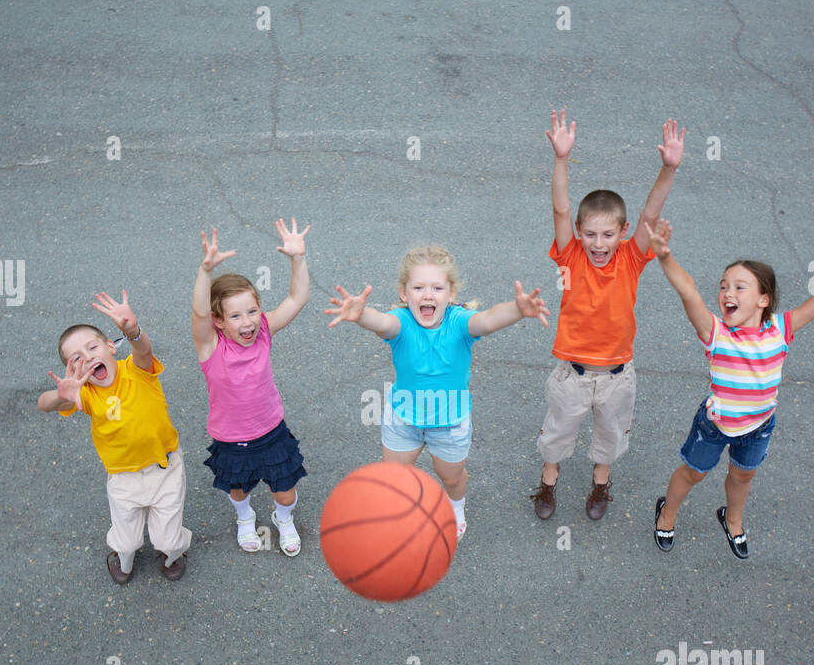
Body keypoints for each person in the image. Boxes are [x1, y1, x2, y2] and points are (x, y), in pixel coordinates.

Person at [646, 212, 814, 558]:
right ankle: (667, 512)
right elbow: (689, 291)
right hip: (715, 425)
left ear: (764, 299)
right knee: (694, 474)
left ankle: (732, 519)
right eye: (723, 286)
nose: (726, 293)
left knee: (742, 478)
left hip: (759, 426)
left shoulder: (782, 329)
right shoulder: (716, 333)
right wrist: (665, 256)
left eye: (739, 287)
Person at [328, 246, 549, 538]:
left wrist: (516, 311)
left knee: (452, 477)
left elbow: (487, 320)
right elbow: (381, 322)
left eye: (437, 288)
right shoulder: (401, 322)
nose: (428, 295)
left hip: (450, 424)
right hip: (403, 420)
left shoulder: (459, 323)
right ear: (404, 294)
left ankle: (455, 507)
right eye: (418, 287)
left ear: (451, 294)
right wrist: (361, 316)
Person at [531, 110, 685, 522]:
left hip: (617, 374)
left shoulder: (632, 259)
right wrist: (561, 160)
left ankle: (601, 483)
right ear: (579, 231)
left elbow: (651, 215)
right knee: (557, 437)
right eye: (591, 233)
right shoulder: (570, 255)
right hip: (573, 373)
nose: (599, 243)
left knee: (609, 438)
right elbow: (560, 209)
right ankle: (549, 481)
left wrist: (668, 168)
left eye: (609, 234)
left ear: (623, 232)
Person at [38, 290, 192, 583]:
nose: (88, 358)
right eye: (77, 359)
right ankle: (122, 559)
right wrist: (60, 396)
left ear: (111, 346)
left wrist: (132, 331)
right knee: (127, 542)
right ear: (72, 370)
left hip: (165, 467)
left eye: (93, 348)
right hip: (122, 477)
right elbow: (43, 404)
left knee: (169, 541)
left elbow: (144, 351)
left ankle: (175, 552)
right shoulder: (83, 393)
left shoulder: (136, 370)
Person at [192, 219, 310, 556]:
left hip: (272, 432)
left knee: (285, 492)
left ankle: (283, 518)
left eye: (253, 311)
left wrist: (297, 257)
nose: (248, 323)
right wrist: (205, 272)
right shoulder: (210, 347)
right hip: (232, 439)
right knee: (239, 489)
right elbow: (199, 311)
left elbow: (297, 298)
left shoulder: (264, 332)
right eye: (236, 316)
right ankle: (245, 518)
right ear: (218, 321)